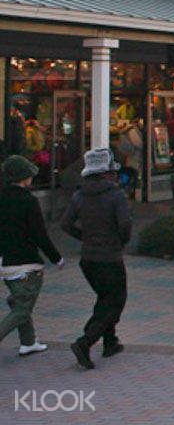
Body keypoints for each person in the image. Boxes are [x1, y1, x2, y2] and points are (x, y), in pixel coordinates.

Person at [61, 148, 131, 370]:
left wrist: (84, 237)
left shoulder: (79, 195)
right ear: (107, 173)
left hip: (88, 258)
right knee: (115, 300)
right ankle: (85, 342)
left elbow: (65, 224)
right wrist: (121, 241)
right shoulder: (115, 195)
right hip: (109, 257)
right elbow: (125, 225)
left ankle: (110, 342)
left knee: (105, 298)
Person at [0, 155, 64, 356]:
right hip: (27, 263)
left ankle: (28, 342)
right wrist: (56, 258)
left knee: (22, 302)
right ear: (24, 177)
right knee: (22, 309)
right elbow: (39, 235)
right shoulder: (29, 201)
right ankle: (27, 341)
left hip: (5, 263)